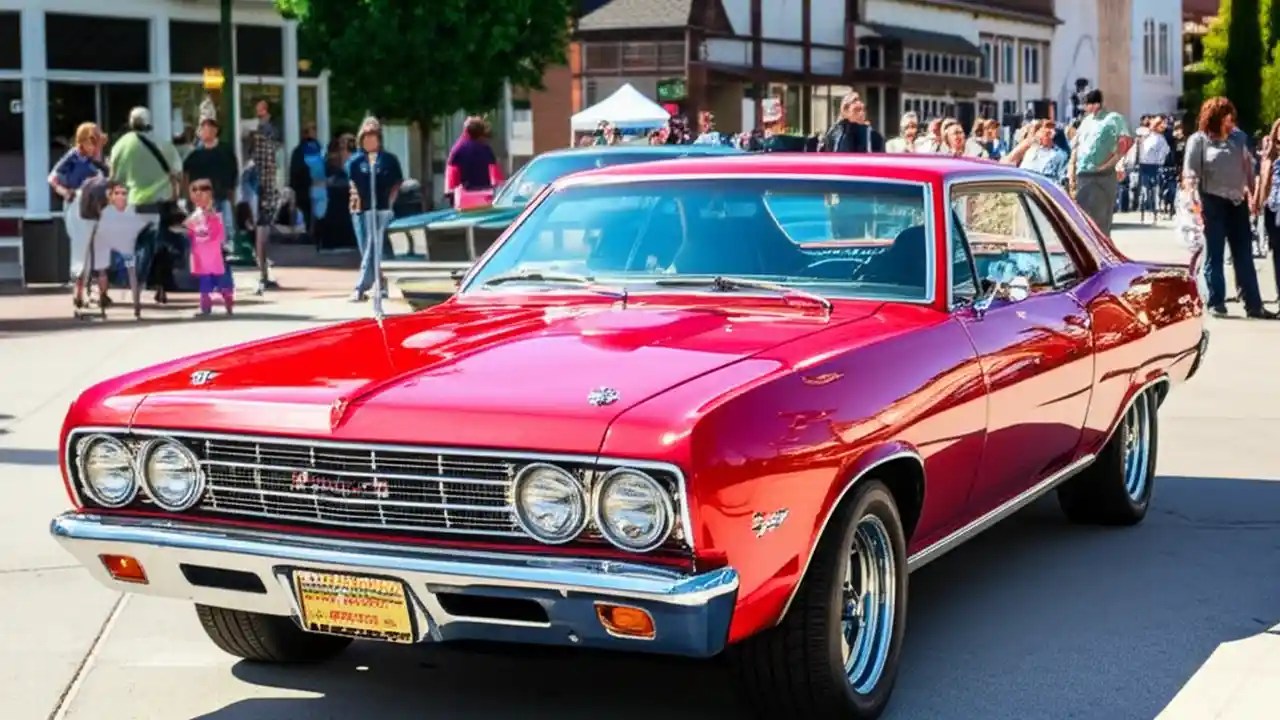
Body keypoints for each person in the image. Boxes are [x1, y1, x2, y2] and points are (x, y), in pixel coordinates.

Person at [1185, 96, 1275, 319]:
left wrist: (1254, 195)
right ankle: (1216, 301)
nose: (1230, 120)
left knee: (1244, 254)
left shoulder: (1239, 139)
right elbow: (1190, 173)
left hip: (1237, 203)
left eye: (1231, 116)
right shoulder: (1199, 141)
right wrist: (1193, 201)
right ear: (1215, 118)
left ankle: (1254, 305)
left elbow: (1248, 168)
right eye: (1226, 116)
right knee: (1214, 254)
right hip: (1211, 201)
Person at [109, 106, 183, 305]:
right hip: (161, 203)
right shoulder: (163, 143)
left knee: (136, 247)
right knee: (160, 247)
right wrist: (176, 197)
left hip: (133, 204)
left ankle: (136, 285)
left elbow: (115, 178)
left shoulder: (121, 145)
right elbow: (177, 173)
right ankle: (160, 287)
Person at [347, 116, 403, 302]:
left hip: (382, 210)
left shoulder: (389, 160)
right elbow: (352, 183)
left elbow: (397, 182)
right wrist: (357, 204)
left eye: (374, 135)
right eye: (366, 135)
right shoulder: (355, 161)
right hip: (362, 211)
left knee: (376, 248)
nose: (370, 139)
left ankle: (363, 286)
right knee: (367, 249)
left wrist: (390, 204)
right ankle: (378, 283)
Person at [49, 122, 107, 288]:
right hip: (76, 203)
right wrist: (65, 192)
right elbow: (53, 178)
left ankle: (88, 284)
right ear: (83, 142)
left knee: (92, 245)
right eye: (93, 142)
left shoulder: (98, 160)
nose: (97, 147)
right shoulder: (73, 156)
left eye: (99, 142)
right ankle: (80, 284)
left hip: (95, 206)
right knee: (81, 245)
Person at [1068, 89, 1133, 235]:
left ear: (1096, 104)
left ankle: (1103, 250)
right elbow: (1077, 146)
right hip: (1083, 173)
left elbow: (1125, 143)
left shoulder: (1113, 119)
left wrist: (1112, 163)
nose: (1085, 108)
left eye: (1087, 104)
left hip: (1103, 174)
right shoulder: (1086, 121)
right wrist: (1071, 170)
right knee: (1083, 217)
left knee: (1101, 218)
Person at [90, 181, 150, 318]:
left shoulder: (131, 210)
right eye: (117, 193)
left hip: (126, 247)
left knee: (132, 271)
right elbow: (100, 231)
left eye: (124, 193)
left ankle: (136, 306)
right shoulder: (106, 212)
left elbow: (138, 227)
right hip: (104, 245)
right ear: (111, 196)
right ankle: (103, 297)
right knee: (102, 270)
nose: (121, 196)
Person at [182, 116, 238, 248]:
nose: (205, 131)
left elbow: (233, 172)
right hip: (202, 200)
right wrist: (187, 196)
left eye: (208, 128)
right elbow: (186, 174)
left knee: (225, 233)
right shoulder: (195, 154)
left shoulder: (225, 151)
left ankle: (222, 255)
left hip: (221, 196)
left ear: (215, 130)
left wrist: (232, 191)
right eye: (203, 128)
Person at [247, 99, 282, 294]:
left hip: (264, 188)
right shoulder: (266, 133)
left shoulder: (262, 132)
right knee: (261, 233)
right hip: (261, 189)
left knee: (263, 233)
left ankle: (264, 273)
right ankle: (263, 274)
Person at [185, 179, 233, 317]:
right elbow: (188, 227)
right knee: (207, 281)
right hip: (203, 254)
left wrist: (200, 234)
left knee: (215, 280)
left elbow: (218, 234)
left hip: (211, 253)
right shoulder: (197, 214)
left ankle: (224, 299)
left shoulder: (212, 214)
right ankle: (208, 305)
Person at [1252, 118, 1280, 306]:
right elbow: (1261, 179)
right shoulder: (1270, 154)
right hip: (1272, 206)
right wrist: (1256, 201)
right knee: (1277, 253)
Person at [445, 117, 504, 203]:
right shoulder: (486, 150)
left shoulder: (457, 150)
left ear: (465, 131)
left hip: (463, 199)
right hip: (484, 198)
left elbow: (451, 182)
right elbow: (497, 178)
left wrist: (450, 193)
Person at [1001, 119, 1070, 185]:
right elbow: (1005, 163)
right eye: (1044, 131)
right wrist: (1029, 141)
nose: (1050, 134)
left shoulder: (1059, 155)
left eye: (1050, 132)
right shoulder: (1028, 149)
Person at [819, 92, 885, 153]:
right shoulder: (834, 133)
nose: (861, 114)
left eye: (863, 110)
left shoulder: (872, 135)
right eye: (857, 110)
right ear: (845, 111)